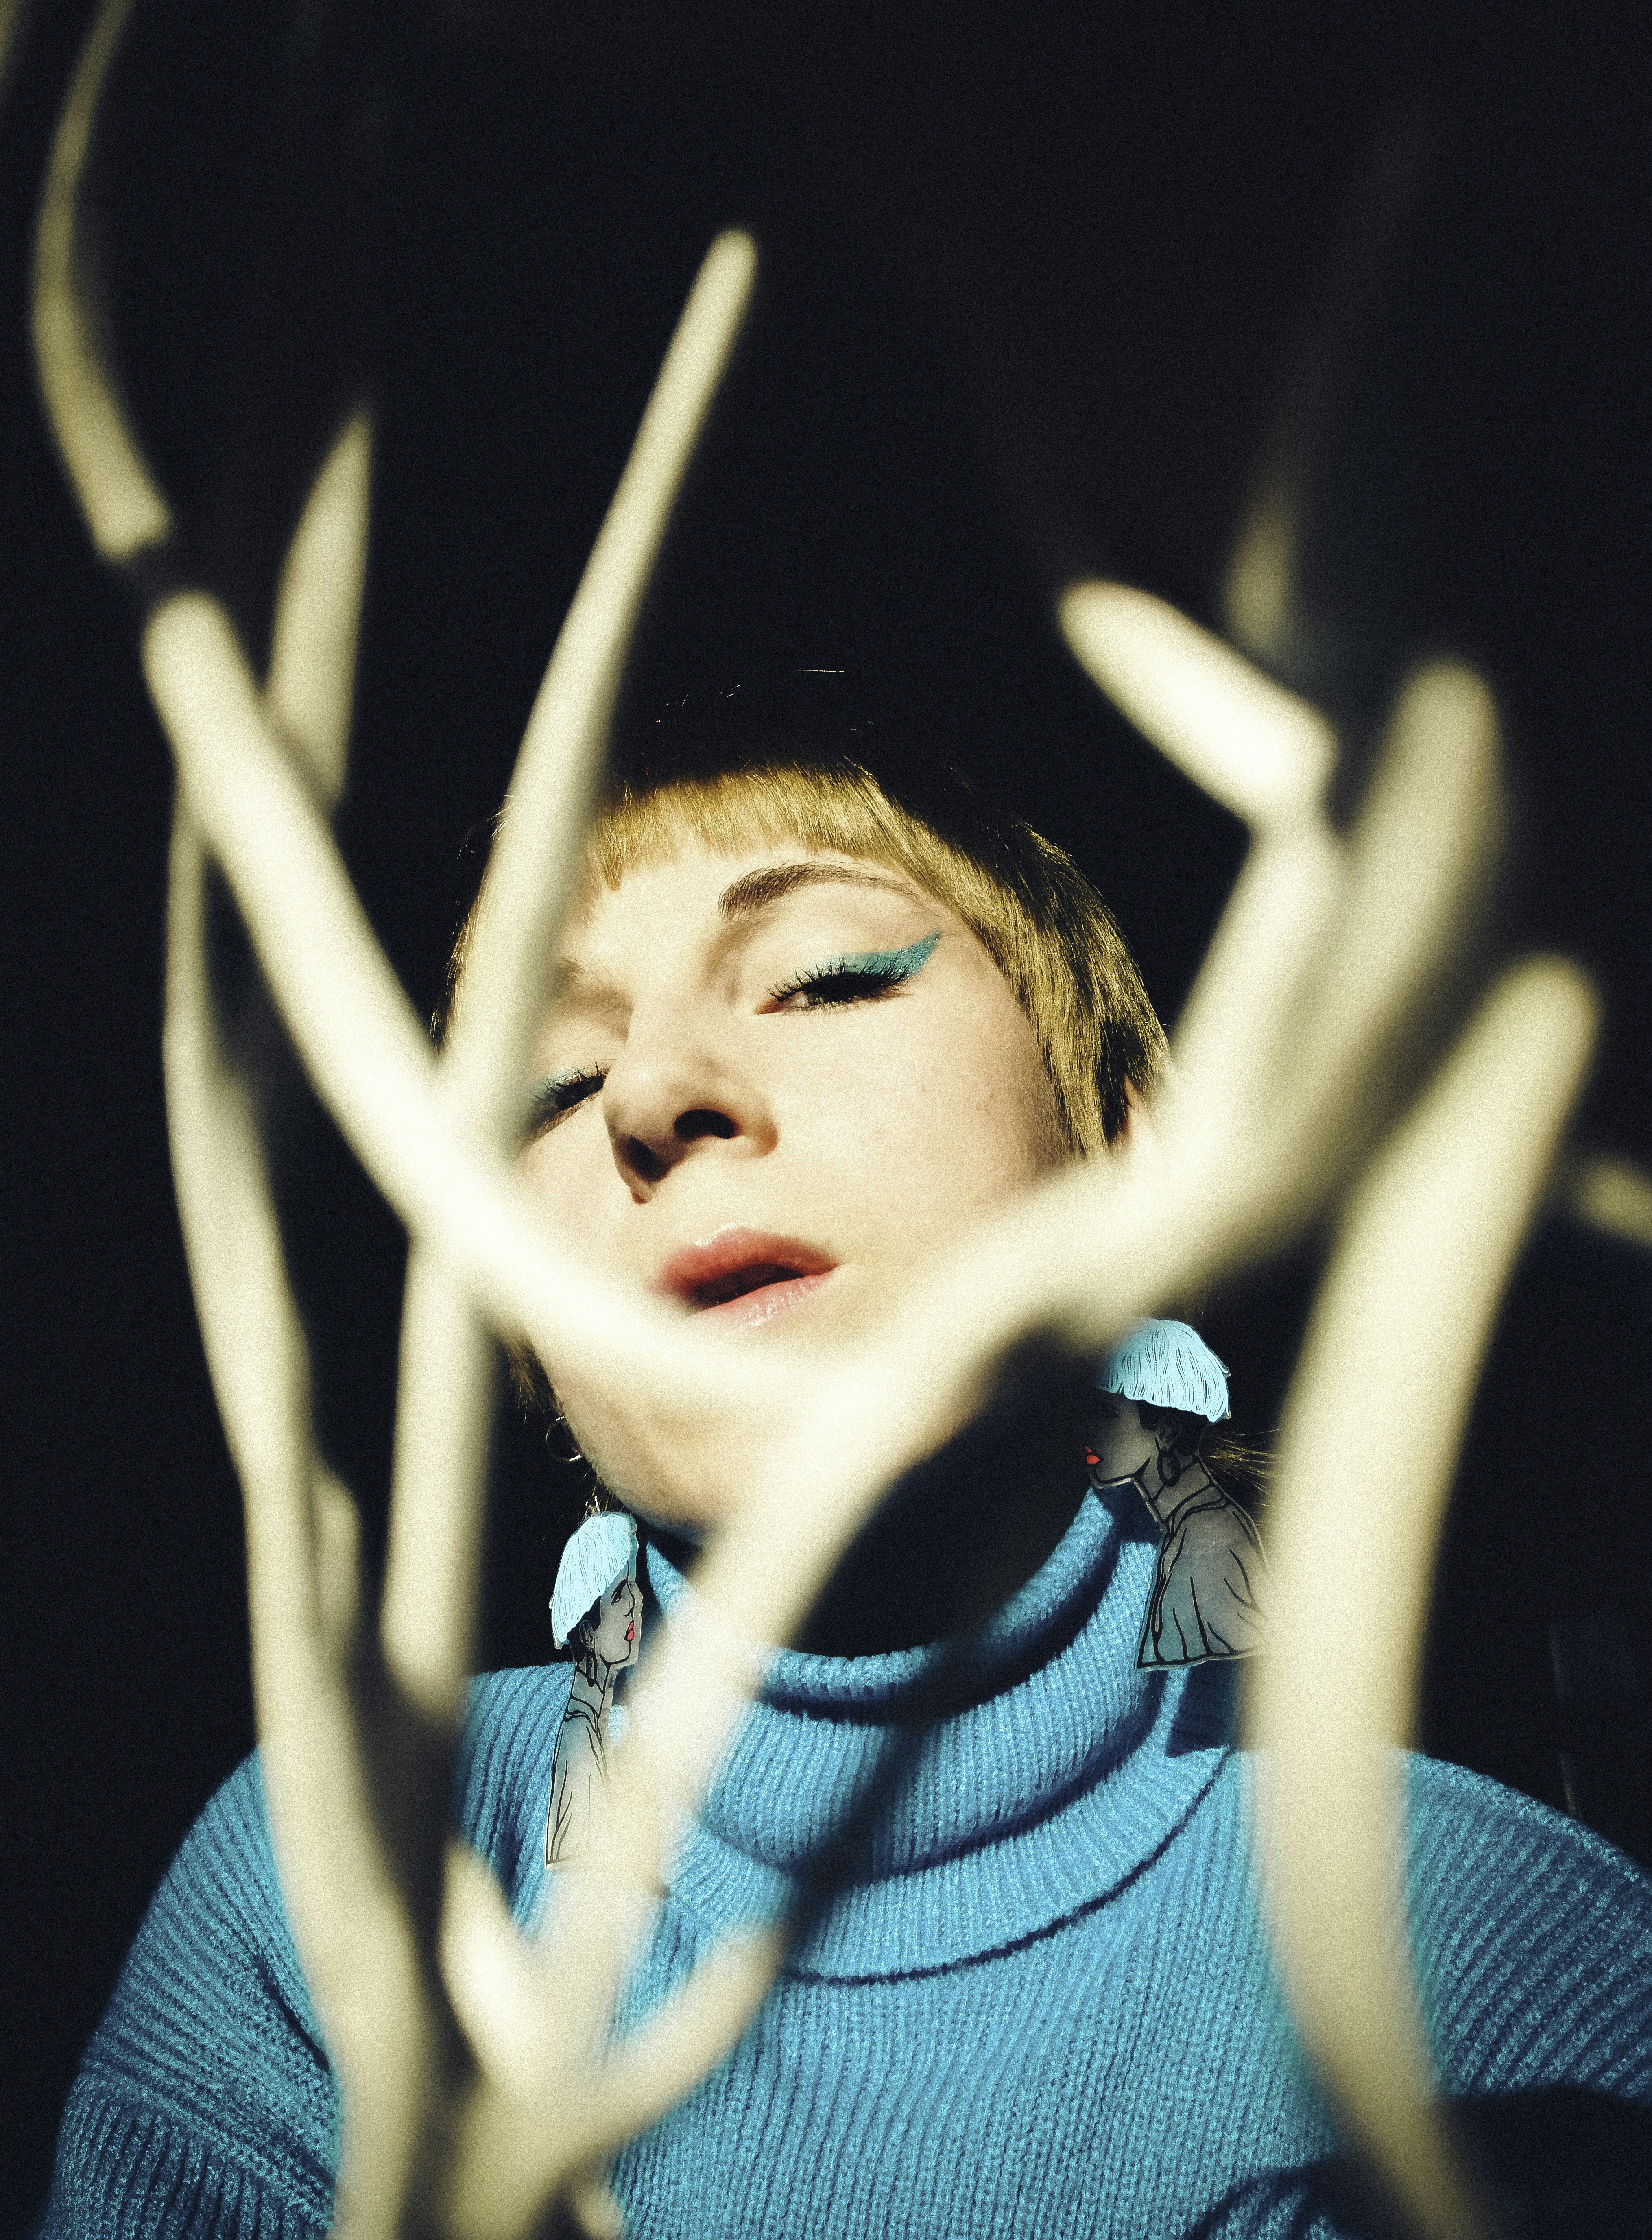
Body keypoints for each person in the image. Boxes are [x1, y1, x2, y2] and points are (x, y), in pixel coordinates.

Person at [40, 736, 1652, 2238]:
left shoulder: (1512, 1963)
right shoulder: (342, 1886)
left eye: (822, 979)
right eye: (553, 1084)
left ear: (1130, 1152)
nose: (650, 1093)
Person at [1085, 1318, 1270, 1668]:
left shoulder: (1206, 1543)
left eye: (1105, 1414)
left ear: (1166, 1431)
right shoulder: (1191, 1527)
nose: (1086, 1430)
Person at [545, 1511, 643, 1867]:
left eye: (631, 1585)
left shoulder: (590, 1723)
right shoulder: (580, 1737)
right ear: (587, 1633)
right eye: (618, 1595)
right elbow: (574, 1871)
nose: (635, 1601)